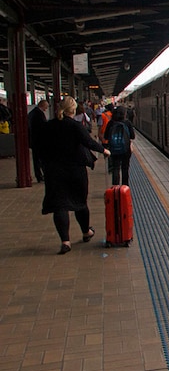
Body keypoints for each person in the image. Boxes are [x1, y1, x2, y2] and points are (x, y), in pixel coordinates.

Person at [41, 96, 110, 254]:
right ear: (73, 110)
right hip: (75, 170)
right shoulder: (75, 126)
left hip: (54, 171)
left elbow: (39, 146)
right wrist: (104, 150)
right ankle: (86, 232)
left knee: (60, 205)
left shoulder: (49, 126)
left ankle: (65, 241)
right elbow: (89, 142)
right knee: (80, 202)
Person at [103, 105, 135, 186]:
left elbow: (106, 136)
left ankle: (115, 189)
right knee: (125, 169)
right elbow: (132, 136)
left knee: (115, 168)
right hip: (126, 149)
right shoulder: (127, 123)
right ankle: (125, 188)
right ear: (124, 114)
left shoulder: (111, 123)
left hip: (113, 149)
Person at [28, 99, 49, 182]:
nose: (46, 109)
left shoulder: (33, 112)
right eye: (46, 107)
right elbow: (42, 126)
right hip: (38, 141)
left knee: (37, 159)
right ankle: (40, 176)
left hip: (34, 140)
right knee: (40, 159)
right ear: (42, 105)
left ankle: (39, 176)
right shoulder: (38, 114)